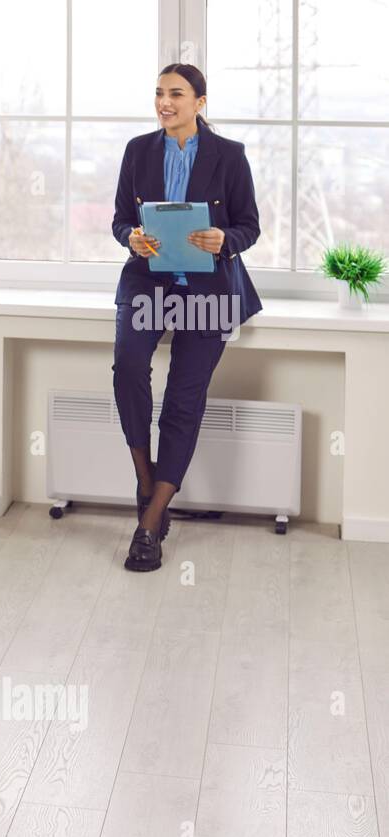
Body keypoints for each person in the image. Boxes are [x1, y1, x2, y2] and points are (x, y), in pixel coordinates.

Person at [112, 63, 262, 572]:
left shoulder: (230, 156)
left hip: (208, 289)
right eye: (158, 93)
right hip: (146, 284)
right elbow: (119, 219)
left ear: (200, 102)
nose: (164, 102)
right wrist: (130, 236)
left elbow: (249, 225)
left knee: (184, 398)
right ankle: (144, 477)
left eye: (176, 94)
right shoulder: (138, 150)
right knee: (129, 368)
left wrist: (227, 241)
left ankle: (151, 522)